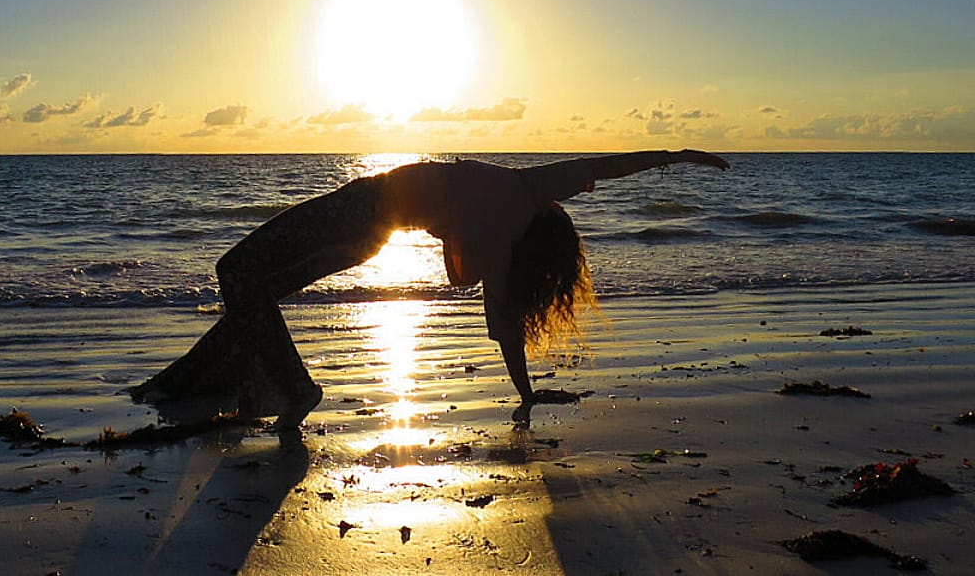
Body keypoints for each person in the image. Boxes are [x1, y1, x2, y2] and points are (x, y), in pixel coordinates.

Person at [131, 149, 729, 431]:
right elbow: (504, 327)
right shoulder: (506, 236)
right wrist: (525, 391)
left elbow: (612, 163)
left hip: (361, 214)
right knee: (251, 286)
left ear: (552, 214)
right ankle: (224, 380)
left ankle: (290, 387)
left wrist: (676, 156)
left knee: (236, 272)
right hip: (367, 224)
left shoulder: (529, 186)